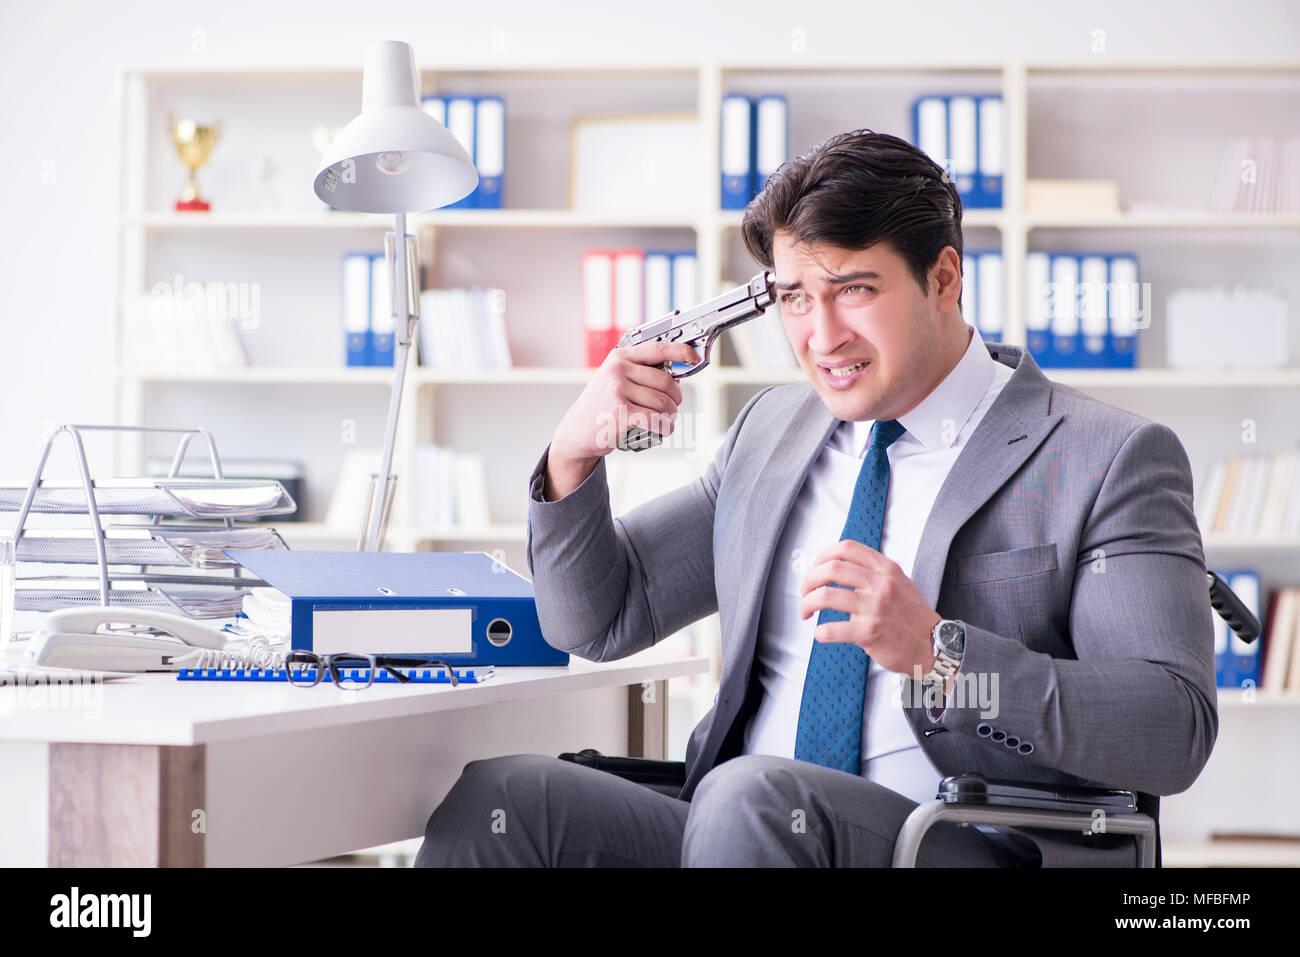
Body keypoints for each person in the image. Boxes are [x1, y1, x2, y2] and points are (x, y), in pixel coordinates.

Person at [415, 129, 1217, 867]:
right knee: (503, 797)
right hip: (740, 826)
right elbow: (600, 618)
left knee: (751, 795)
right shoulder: (772, 431)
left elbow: (1171, 727)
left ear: (942, 277)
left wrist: (939, 652)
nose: (820, 334)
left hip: (960, 840)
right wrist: (574, 457)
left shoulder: (1102, 455)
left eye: (854, 289)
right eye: (796, 296)